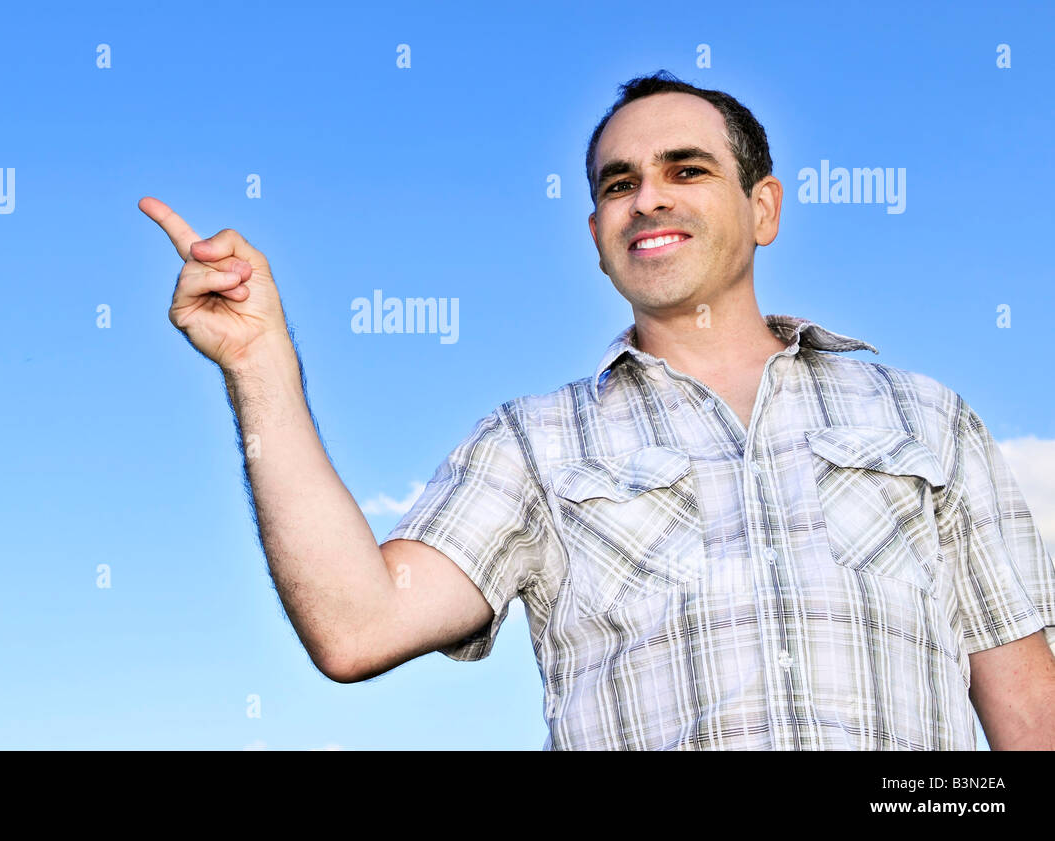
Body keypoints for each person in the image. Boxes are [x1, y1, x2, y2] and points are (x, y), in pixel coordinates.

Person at [138, 70, 1055, 750]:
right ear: (597, 236)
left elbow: (1027, 710)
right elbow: (356, 625)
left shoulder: (927, 420)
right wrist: (260, 363)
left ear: (763, 208)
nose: (647, 197)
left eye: (685, 169)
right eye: (619, 183)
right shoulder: (532, 443)